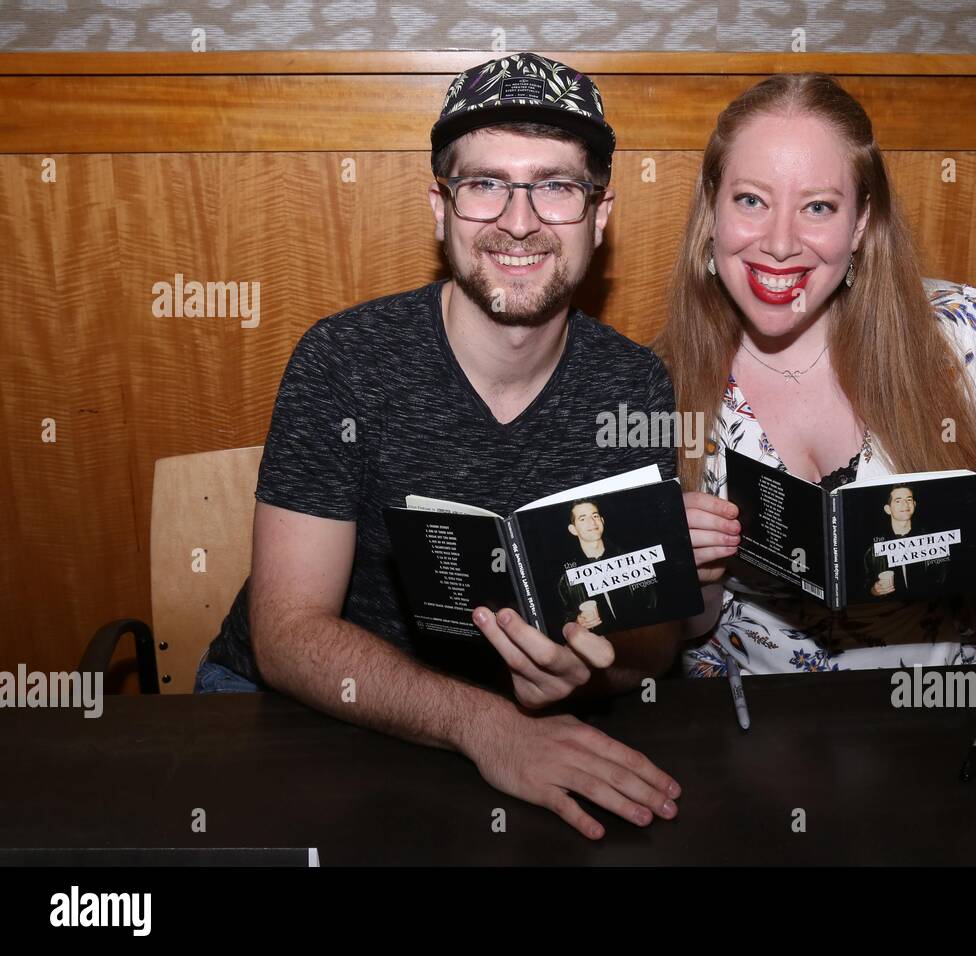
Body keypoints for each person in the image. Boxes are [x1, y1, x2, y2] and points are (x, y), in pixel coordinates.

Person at [196, 53, 683, 840]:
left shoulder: (634, 388)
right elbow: (285, 634)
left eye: (555, 186)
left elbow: (652, 639)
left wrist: (599, 667)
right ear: (441, 208)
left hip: (524, 738)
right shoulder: (342, 362)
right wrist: (487, 725)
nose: (517, 221)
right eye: (484, 184)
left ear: (599, 216)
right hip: (301, 712)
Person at [654, 73, 976, 677]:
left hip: (956, 707)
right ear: (712, 211)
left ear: (859, 224)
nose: (779, 243)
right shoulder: (657, 385)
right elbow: (680, 633)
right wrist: (693, 574)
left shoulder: (966, 336)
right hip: (757, 725)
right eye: (751, 200)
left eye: (819, 207)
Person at [556, 499, 658, 633]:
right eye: (582, 518)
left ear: (602, 521)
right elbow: (563, 617)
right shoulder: (567, 578)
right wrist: (577, 622)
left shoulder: (631, 559)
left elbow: (653, 603)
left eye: (595, 516)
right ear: (573, 529)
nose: (592, 522)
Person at [865, 485, 949, 598]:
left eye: (909, 499)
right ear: (888, 509)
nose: (905, 504)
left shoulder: (932, 540)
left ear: (914, 504)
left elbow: (943, 580)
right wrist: (874, 590)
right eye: (898, 501)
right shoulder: (874, 549)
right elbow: (864, 584)